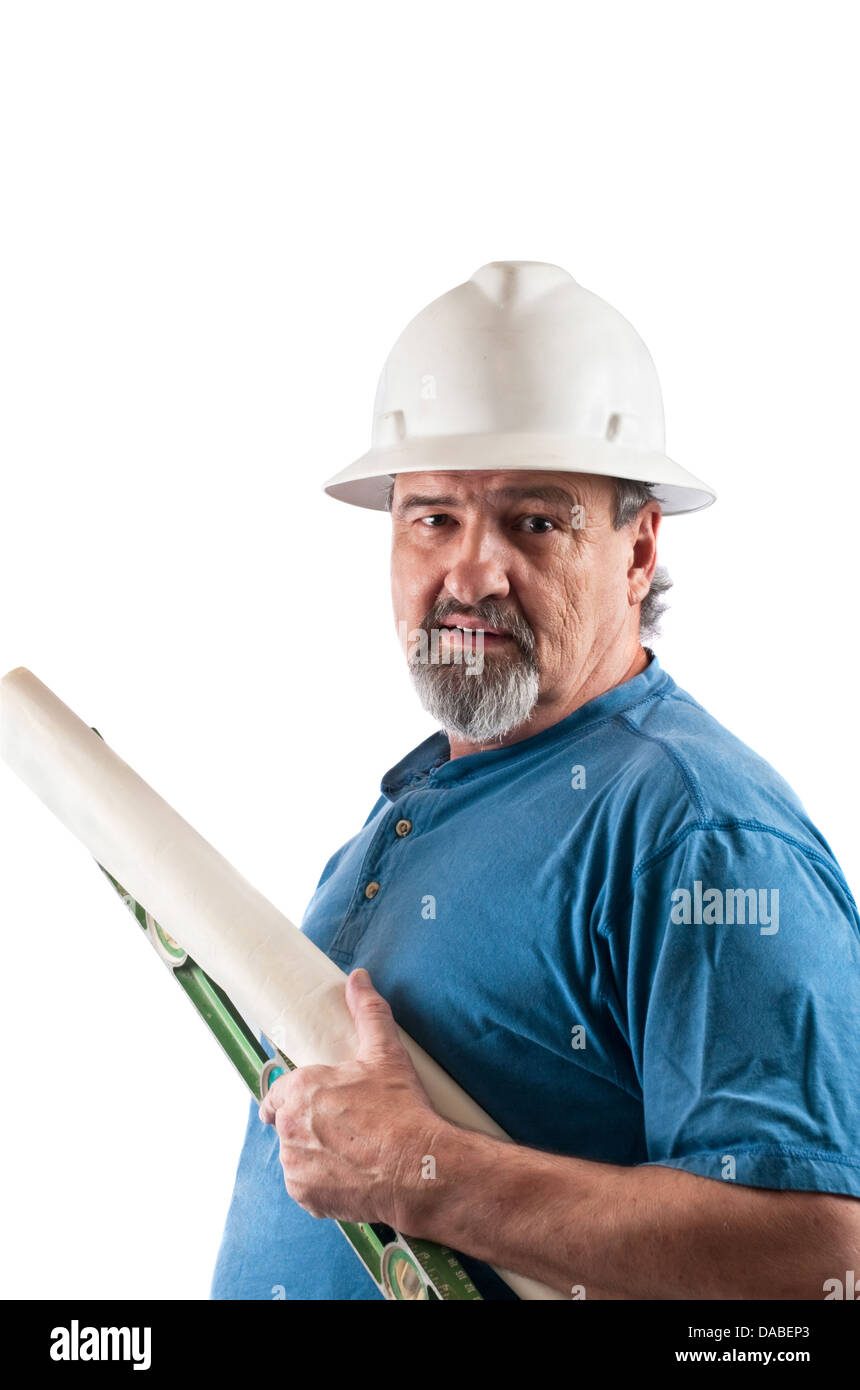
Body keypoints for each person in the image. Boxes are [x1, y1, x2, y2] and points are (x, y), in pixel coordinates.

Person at [211, 264, 860, 1300]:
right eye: (431, 519)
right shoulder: (416, 807)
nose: (470, 572)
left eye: (533, 522)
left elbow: (821, 1260)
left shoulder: (694, 829)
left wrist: (425, 1176)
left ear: (637, 548)